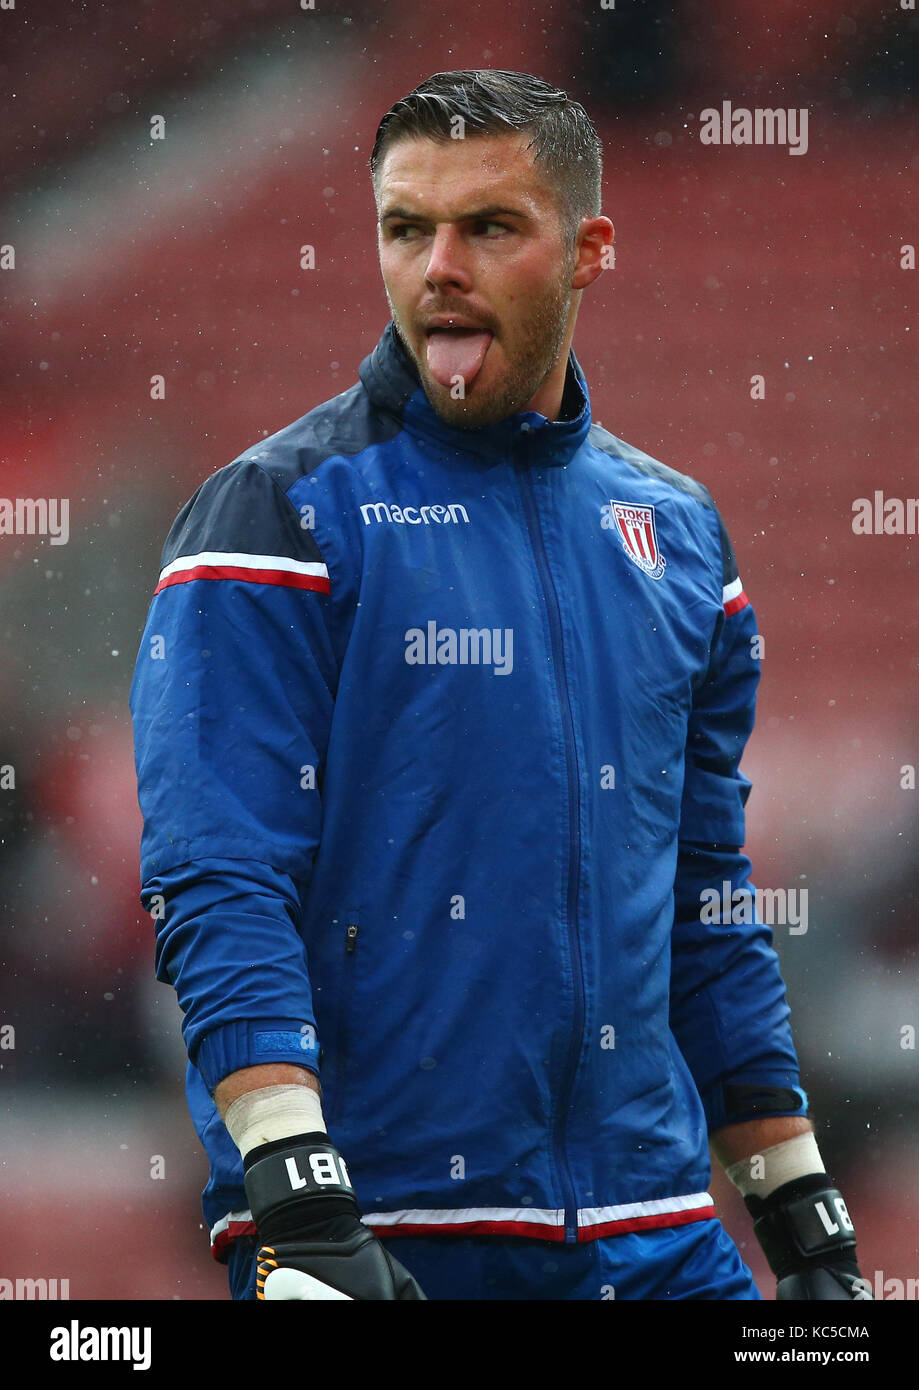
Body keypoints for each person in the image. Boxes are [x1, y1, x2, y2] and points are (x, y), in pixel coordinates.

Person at [130, 69, 871, 1301]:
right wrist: (296, 1189)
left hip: (662, 1234)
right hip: (387, 1226)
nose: (437, 268)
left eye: (487, 227)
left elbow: (702, 894)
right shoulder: (271, 517)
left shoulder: (678, 534)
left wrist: (798, 1205)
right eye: (405, 228)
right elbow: (220, 874)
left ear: (588, 250)